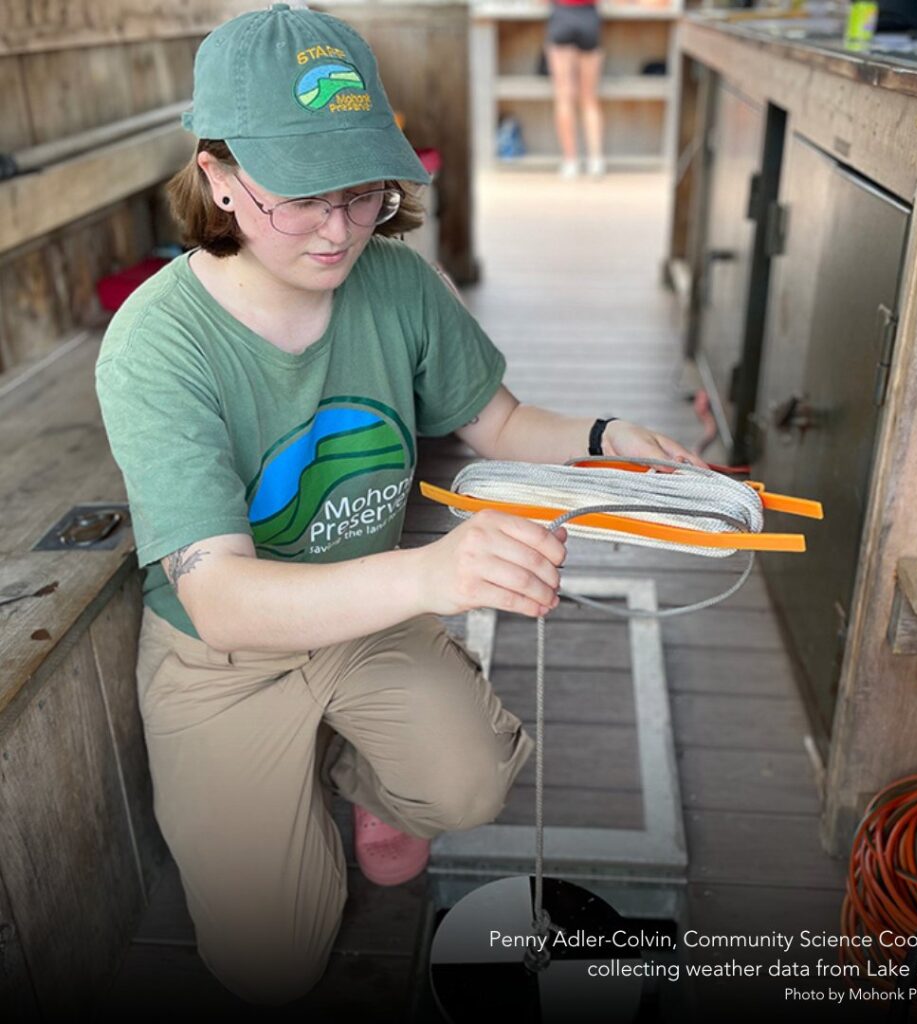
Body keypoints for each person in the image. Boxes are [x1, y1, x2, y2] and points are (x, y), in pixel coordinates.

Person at [94, 3, 702, 1008]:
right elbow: (223, 601)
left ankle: (366, 774)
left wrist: (604, 439)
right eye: (301, 195)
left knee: (466, 780)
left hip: (370, 616)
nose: (339, 228)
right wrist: (437, 570)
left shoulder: (396, 283)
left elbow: (496, 421)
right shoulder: (158, 344)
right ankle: (311, 758)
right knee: (268, 962)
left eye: (362, 188)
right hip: (226, 657)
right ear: (220, 178)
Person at [546, 0, 605, 178]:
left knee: (564, 96)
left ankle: (570, 161)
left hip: (562, 15)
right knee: (589, 97)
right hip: (589, 18)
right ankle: (595, 160)